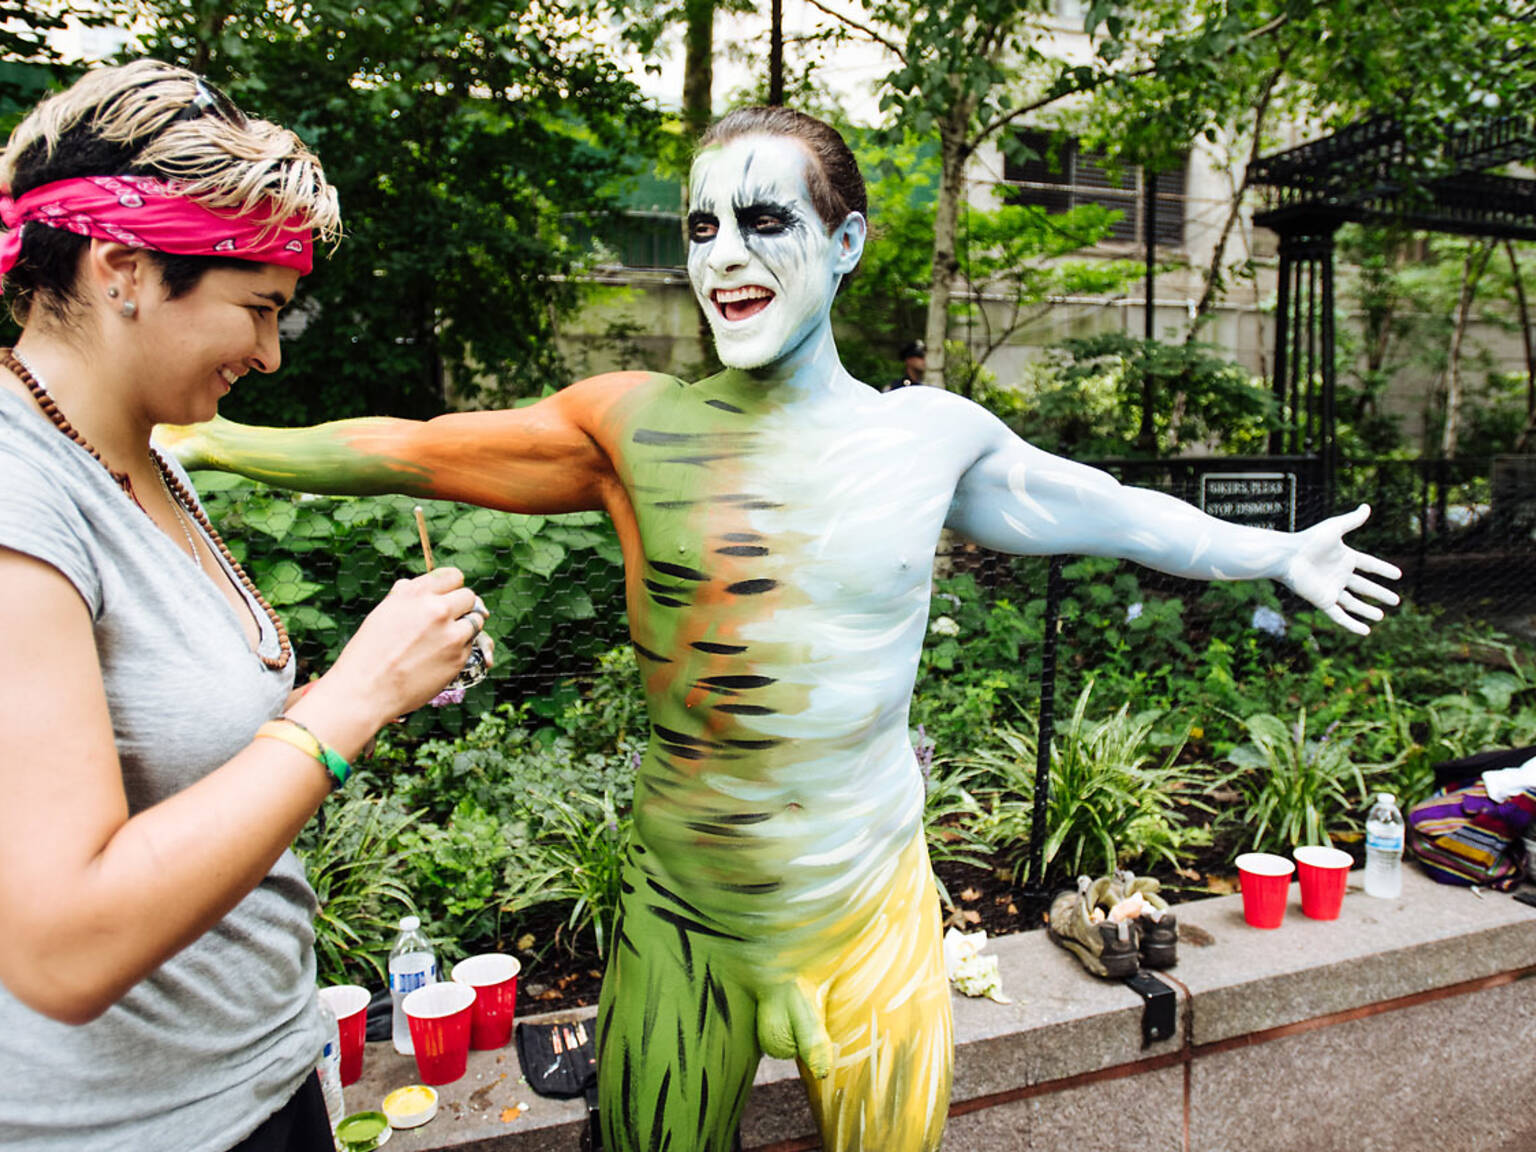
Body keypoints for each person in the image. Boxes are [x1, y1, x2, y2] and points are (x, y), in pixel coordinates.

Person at [163, 106, 1401, 1151]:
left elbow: (1116, 510)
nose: (726, 257)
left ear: (846, 242)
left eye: (765, 221)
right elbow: (413, 450)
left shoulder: (929, 437)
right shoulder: (633, 424)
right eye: (702, 227)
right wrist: (209, 440)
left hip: (869, 915)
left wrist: (1275, 551)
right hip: (682, 918)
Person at [0, 61, 489, 1151]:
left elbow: (196, 769)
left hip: (255, 1082)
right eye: (257, 310)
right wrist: (354, 698)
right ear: (124, 269)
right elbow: (62, 947)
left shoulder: (145, 460)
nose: (269, 355)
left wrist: (379, 677)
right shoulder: (18, 496)